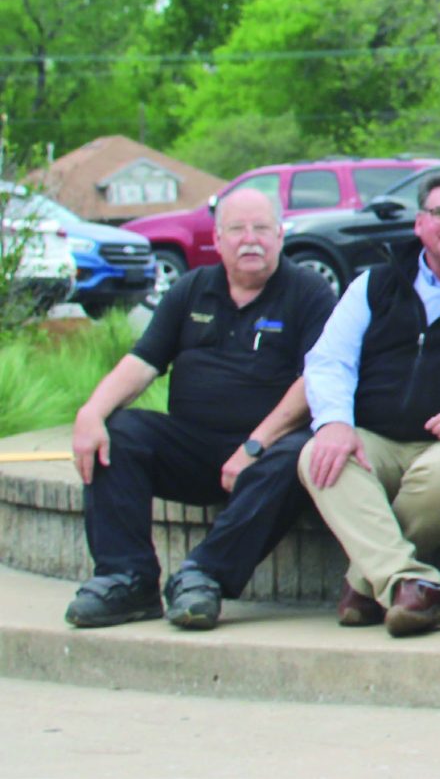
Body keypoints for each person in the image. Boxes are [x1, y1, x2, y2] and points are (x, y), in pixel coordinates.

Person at [62, 188, 334, 630]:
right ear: (218, 239)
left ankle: (201, 577)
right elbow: (143, 361)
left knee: (299, 454)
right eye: (238, 230)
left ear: (280, 235)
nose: (251, 240)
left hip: (267, 454)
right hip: (193, 447)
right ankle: (126, 579)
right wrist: (91, 412)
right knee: (120, 431)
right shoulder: (191, 289)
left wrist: (255, 444)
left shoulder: (309, 292)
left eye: (262, 229)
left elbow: (317, 380)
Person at [298, 170, 440, 637]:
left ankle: (365, 583)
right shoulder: (374, 284)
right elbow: (329, 361)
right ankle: (409, 585)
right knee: (319, 457)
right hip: (374, 438)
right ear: (420, 223)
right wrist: (334, 423)